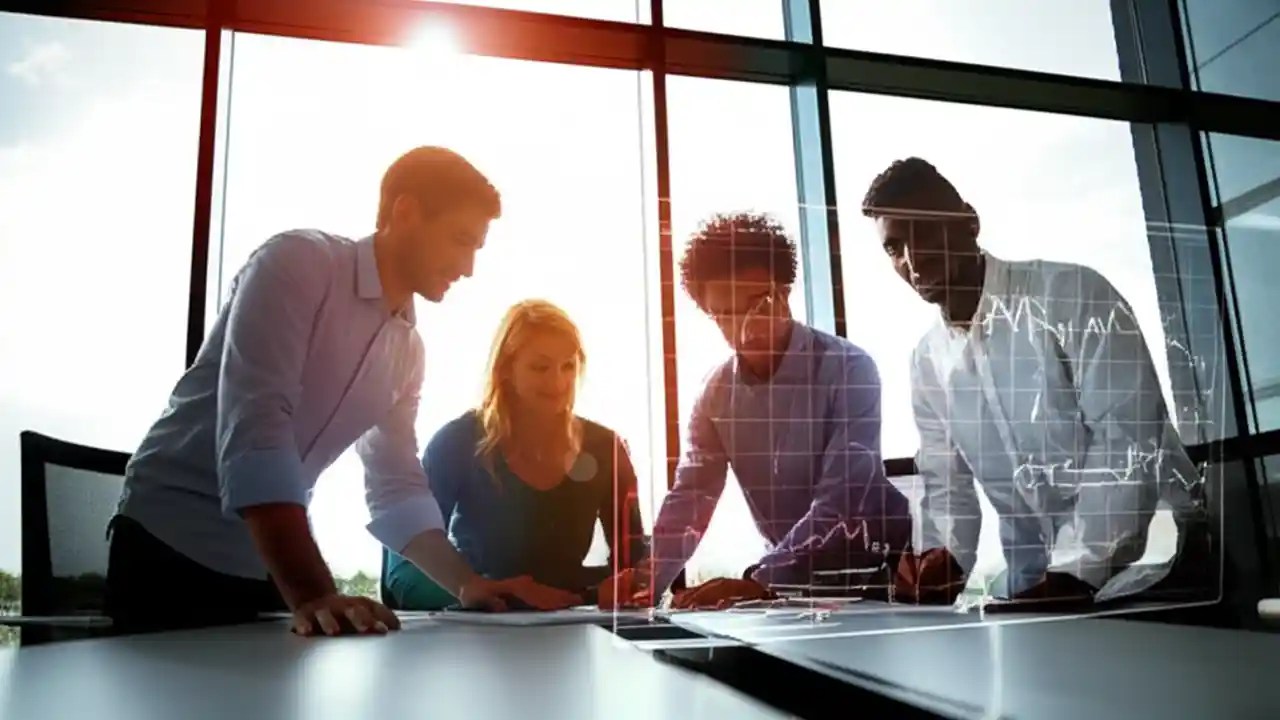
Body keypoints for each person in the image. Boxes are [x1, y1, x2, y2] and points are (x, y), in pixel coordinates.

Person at [106, 147, 580, 636]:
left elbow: (394, 482)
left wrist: (467, 584)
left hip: (264, 565)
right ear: (405, 211)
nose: (468, 267)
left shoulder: (409, 352)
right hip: (166, 548)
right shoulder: (297, 263)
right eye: (460, 241)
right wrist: (314, 592)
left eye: (476, 248)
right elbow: (257, 428)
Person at [861, 157, 1209, 605]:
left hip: (1158, 571)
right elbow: (946, 482)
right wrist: (941, 559)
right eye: (894, 247)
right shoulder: (927, 361)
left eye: (925, 230)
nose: (913, 257)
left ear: (970, 221)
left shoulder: (1073, 294)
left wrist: (1076, 570)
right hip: (1035, 587)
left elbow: (1126, 439)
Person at [600, 211, 913, 610]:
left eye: (758, 303)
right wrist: (647, 580)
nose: (747, 326)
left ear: (783, 292)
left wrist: (759, 580)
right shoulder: (715, 396)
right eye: (727, 315)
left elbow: (843, 497)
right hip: (787, 590)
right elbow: (692, 497)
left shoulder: (850, 369)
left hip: (883, 577)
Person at [382, 300, 648, 609]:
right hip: (479, 633)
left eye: (568, 366)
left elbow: (634, 563)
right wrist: (483, 592)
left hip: (572, 630)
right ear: (506, 369)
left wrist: (620, 588)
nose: (558, 382)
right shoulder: (456, 443)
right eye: (540, 367)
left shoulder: (606, 448)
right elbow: (400, 572)